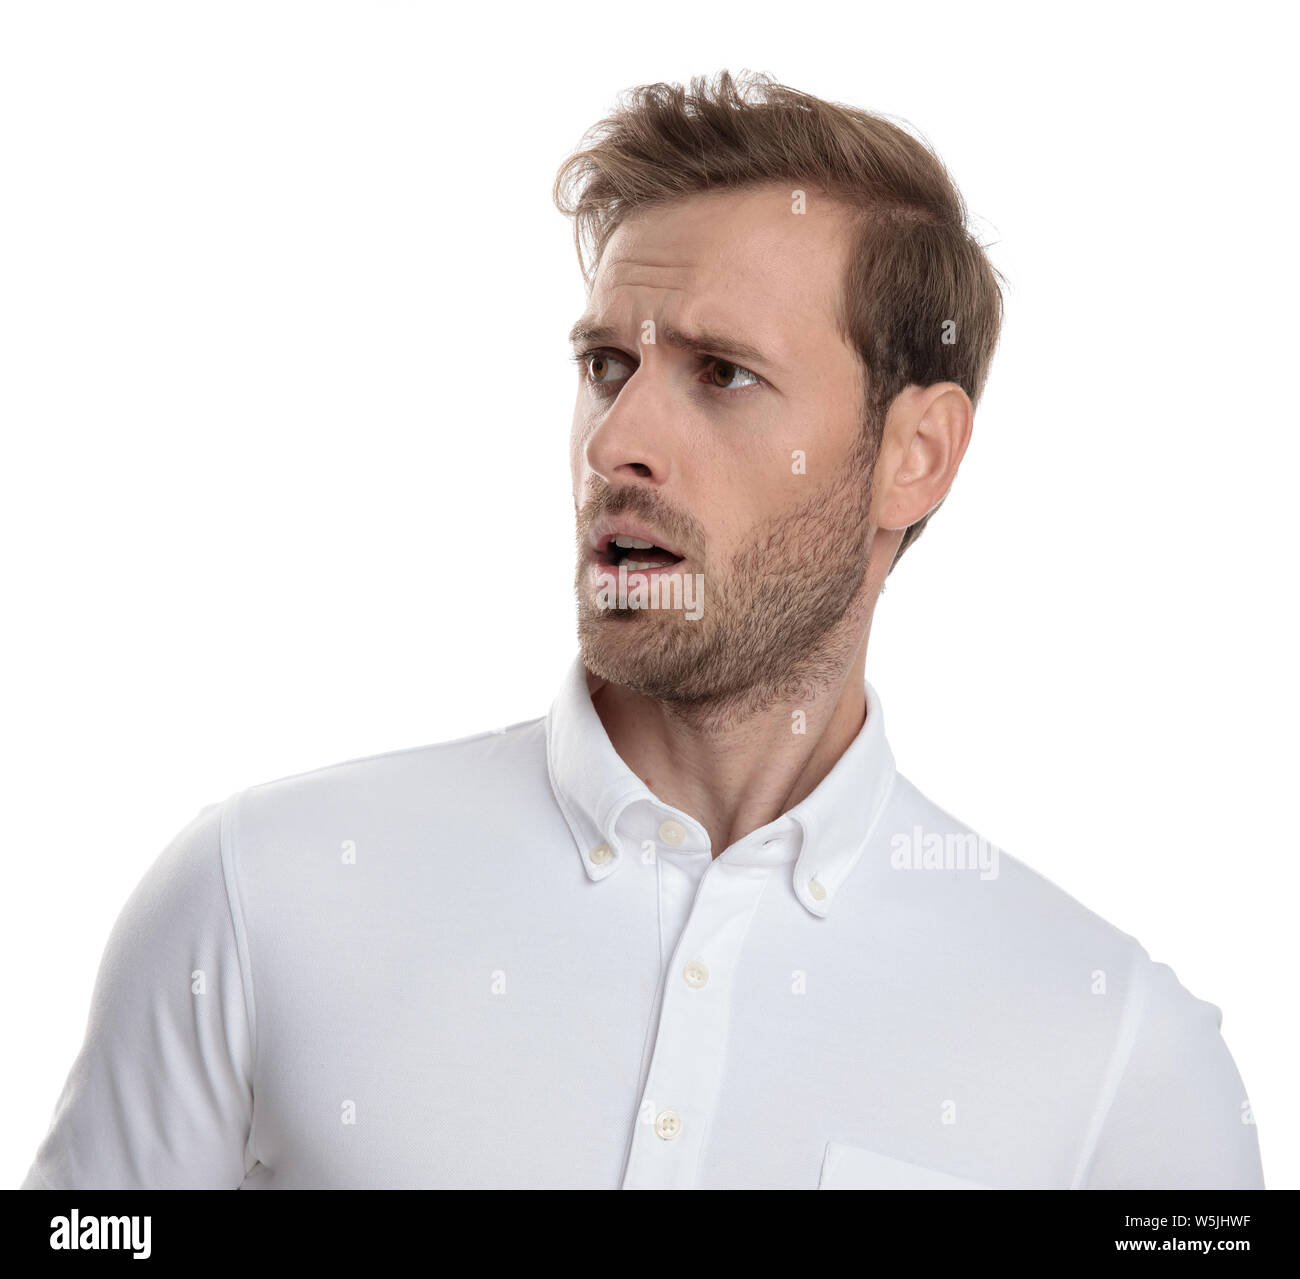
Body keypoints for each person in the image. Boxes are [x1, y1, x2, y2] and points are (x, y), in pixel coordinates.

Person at [21, 71, 1263, 1190]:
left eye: (721, 373)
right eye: (607, 365)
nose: (618, 443)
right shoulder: (259, 892)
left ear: (914, 455)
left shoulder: (1116, 1053)